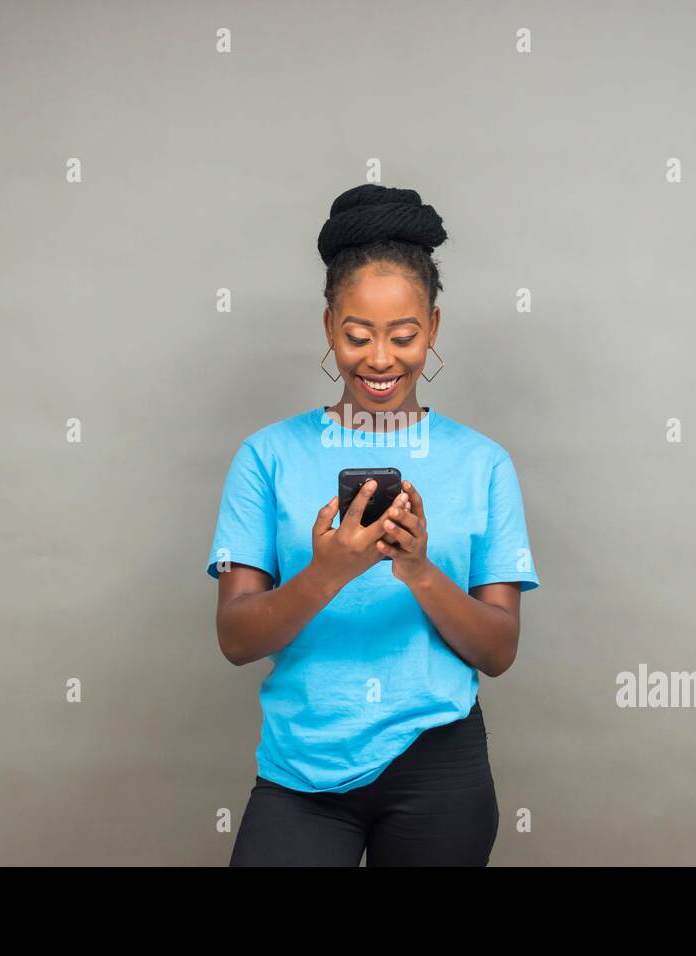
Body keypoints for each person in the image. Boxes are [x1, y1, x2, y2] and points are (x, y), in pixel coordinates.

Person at [206, 183, 540, 866]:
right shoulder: (267, 456)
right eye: (358, 335)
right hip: (302, 773)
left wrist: (418, 570)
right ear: (330, 328)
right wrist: (328, 572)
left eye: (404, 335)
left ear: (435, 331)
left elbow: (499, 651)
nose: (381, 359)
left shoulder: (483, 464)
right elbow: (236, 639)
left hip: (440, 768)